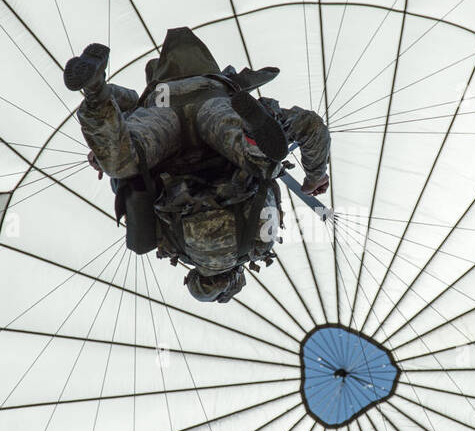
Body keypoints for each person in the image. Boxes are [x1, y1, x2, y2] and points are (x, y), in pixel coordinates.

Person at [66, 28, 330, 303]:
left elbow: (304, 137)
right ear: (196, 277)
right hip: (162, 102)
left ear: (234, 280)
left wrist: (315, 175)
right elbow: (136, 189)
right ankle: (96, 92)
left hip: (211, 97)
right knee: (123, 162)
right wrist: (105, 150)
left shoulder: (258, 243)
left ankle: (254, 141)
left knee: (261, 164)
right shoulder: (174, 247)